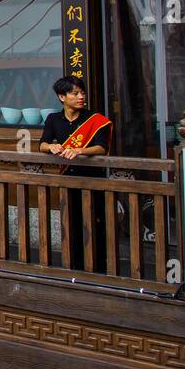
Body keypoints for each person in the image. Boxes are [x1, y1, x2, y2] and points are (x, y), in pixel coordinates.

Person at [40, 75, 113, 270]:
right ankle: (74, 265)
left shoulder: (94, 119)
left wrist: (80, 150)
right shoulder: (53, 119)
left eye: (82, 92)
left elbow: (101, 148)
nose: (81, 96)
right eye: (75, 93)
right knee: (70, 221)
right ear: (61, 97)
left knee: (95, 222)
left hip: (92, 178)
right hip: (68, 178)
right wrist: (51, 148)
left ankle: (99, 266)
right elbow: (43, 144)